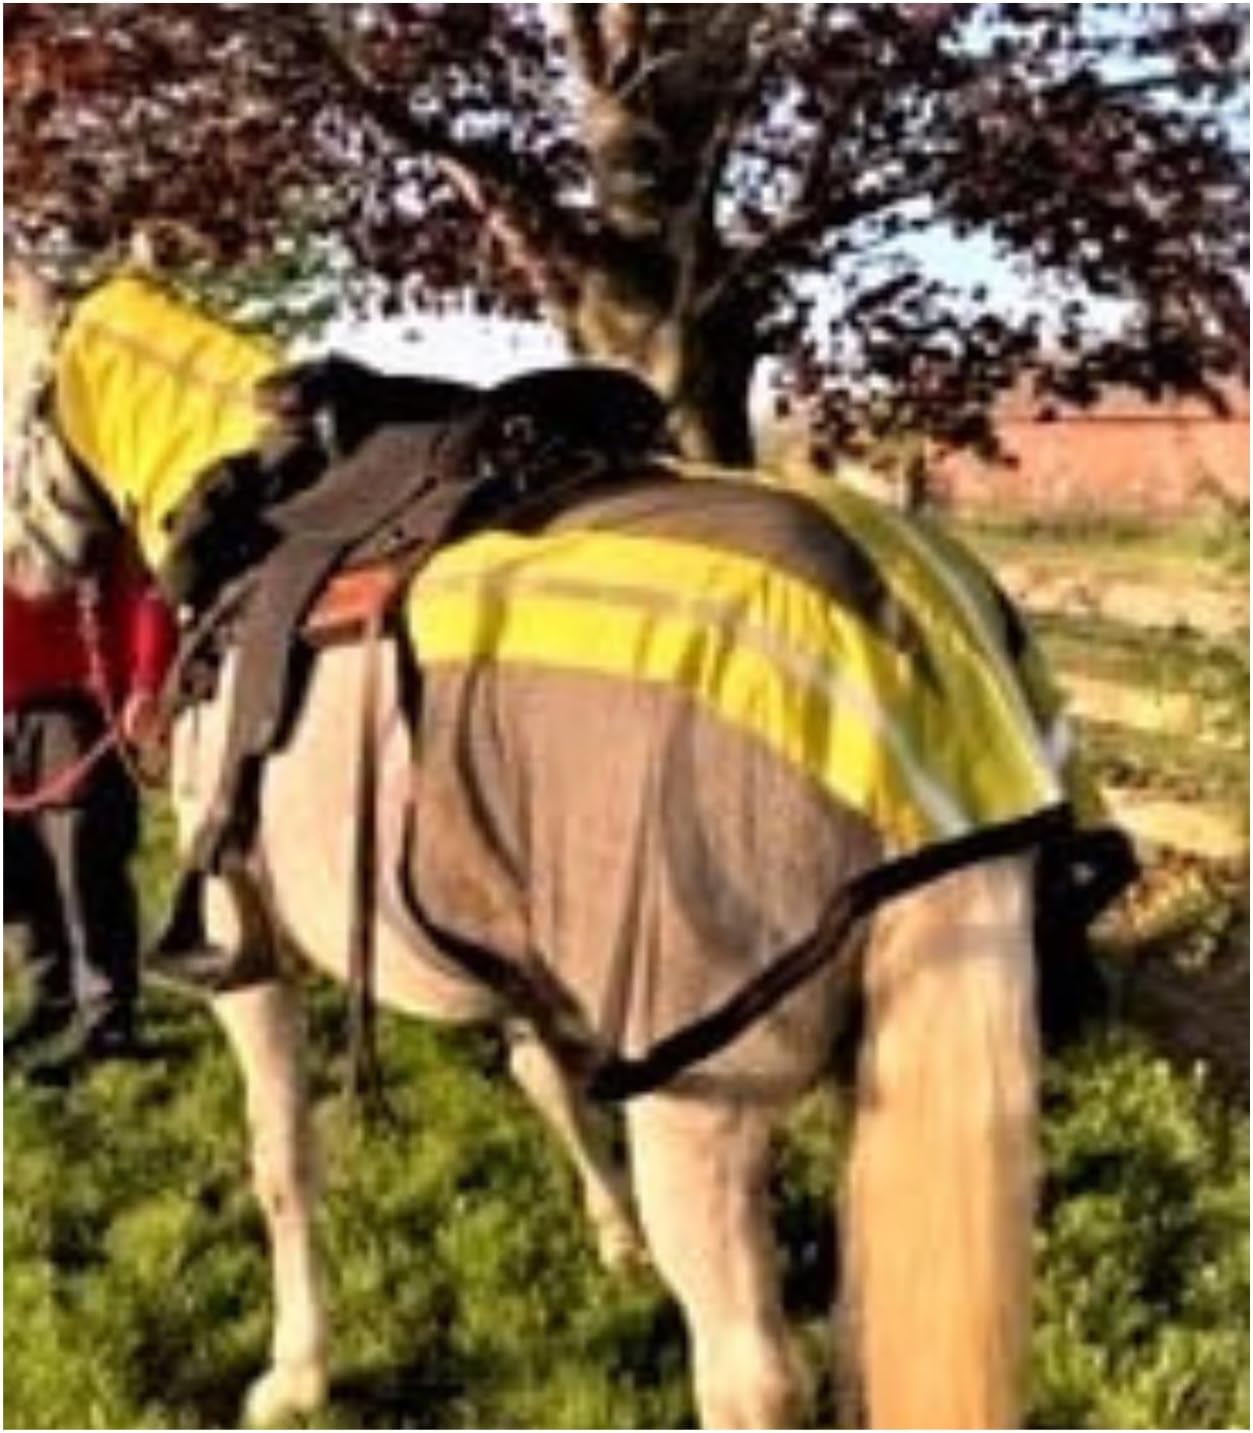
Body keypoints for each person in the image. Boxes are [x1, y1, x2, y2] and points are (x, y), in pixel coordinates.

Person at [4, 534, 176, 1075]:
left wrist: (146, 680)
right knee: (14, 872)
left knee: (85, 866)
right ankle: (52, 997)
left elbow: (147, 588)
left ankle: (109, 1021)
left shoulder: (64, 488)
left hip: (72, 700)